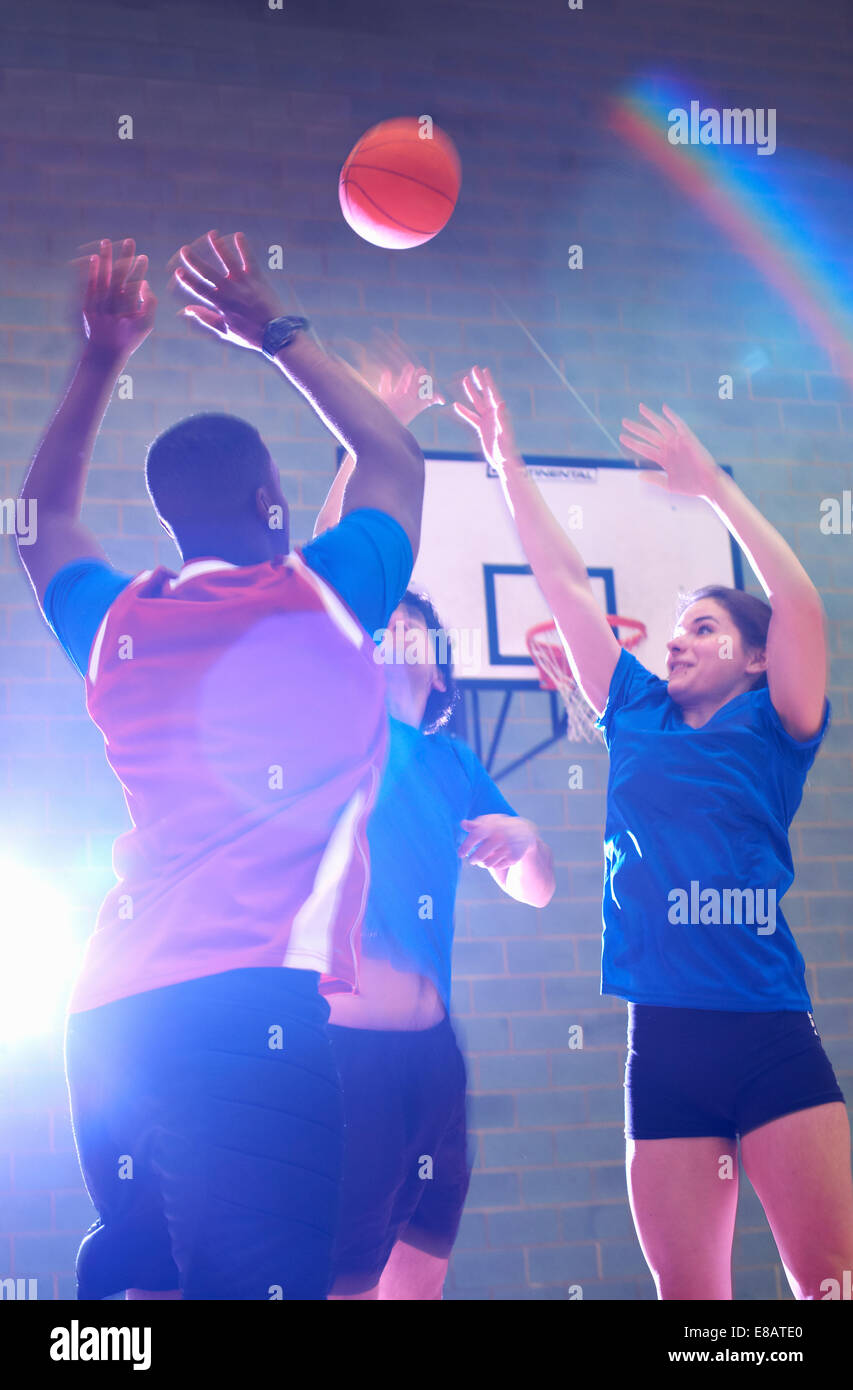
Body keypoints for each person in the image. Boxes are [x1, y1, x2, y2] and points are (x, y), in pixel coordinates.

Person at [15, 231, 425, 1300]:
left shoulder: (118, 622)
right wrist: (274, 330)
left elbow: (38, 521)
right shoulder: (325, 596)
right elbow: (394, 460)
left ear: (169, 518)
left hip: (105, 1018)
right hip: (246, 1020)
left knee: (140, 1297)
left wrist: (101, 356)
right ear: (270, 501)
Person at [455, 366, 853, 1301]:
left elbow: (800, 606)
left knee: (830, 1288)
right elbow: (559, 579)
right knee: (693, 1321)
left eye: (702, 628)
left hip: (767, 1033)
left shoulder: (775, 723)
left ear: (754, 660)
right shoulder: (633, 710)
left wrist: (711, 486)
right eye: (675, 626)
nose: (673, 640)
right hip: (662, 1045)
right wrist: (503, 460)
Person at [309, 364, 555, 1299]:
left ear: (441, 671)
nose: (383, 633)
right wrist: (365, 442)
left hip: (434, 1060)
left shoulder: (453, 767)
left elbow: (534, 889)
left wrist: (524, 837)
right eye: (376, 627)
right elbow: (323, 584)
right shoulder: (338, 732)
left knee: (418, 1284)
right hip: (347, 1048)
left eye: (404, 624)